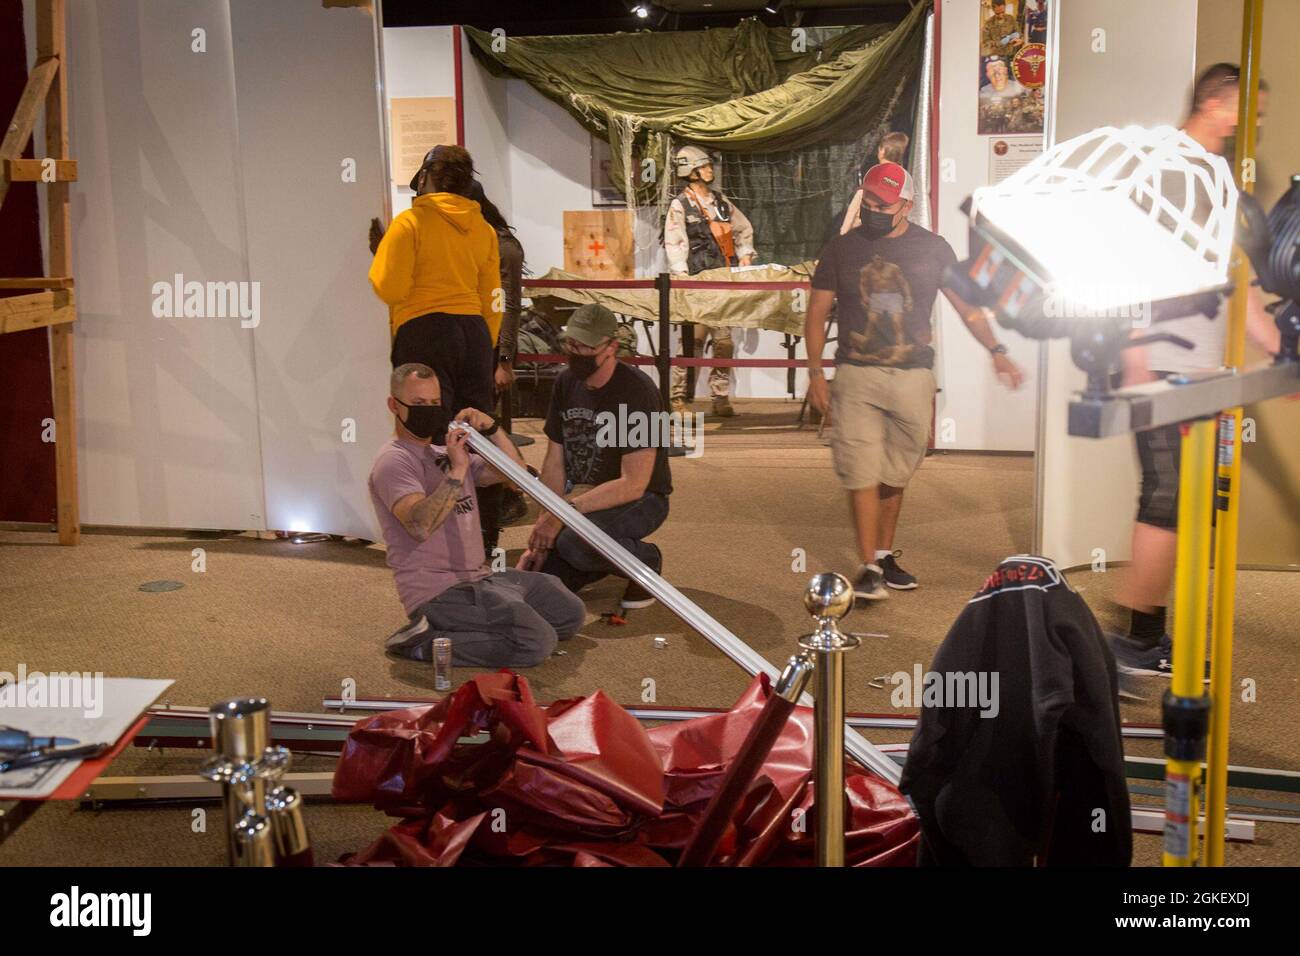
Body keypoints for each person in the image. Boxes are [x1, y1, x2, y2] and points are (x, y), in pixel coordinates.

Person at [1110, 63, 1279, 680]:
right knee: (1166, 496)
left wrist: (1274, 347)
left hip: (1201, 368)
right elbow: (1126, 261)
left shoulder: (1215, 177)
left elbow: (1231, 275)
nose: (1254, 121)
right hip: (1161, 361)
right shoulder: (1170, 168)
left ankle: (1147, 633)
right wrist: (1133, 355)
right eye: (1249, 109)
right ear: (1216, 102)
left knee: (1188, 502)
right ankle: (1132, 639)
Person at [805, 163, 1024, 601]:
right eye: (866, 201)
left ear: (906, 204)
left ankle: (883, 555)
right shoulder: (840, 250)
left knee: (896, 471)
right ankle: (867, 565)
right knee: (862, 469)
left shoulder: (933, 249)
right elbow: (815, 314)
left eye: (882, 204)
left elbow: (967, 307)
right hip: (856, 375)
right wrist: (815, 374)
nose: (872, 210)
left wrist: (997, 351)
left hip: (913, 375)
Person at [369, 363, 585, 667]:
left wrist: (494, 430)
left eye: (434, 404)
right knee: (535, 642)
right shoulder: (394, 461)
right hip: (438, 589)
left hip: (480, 577)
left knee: (569, 614)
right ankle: (422, 641)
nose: (429, 411)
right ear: (394, 405)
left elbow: (515, 475)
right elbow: (419, 525)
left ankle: (481, 621)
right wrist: (458, 471)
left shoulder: (445, 452)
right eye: (418, 405)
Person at [518, 303, 673, 610]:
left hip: (642, 499)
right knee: (544, 580)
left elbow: (634, 484)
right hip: (582, 497)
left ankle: (646, 560)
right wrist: (543, 525)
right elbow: (555, 461)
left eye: (586, 346)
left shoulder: (639, 391)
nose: (576, 352)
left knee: (575, 543)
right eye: (571, 343)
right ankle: (604, 557)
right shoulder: (565, 382)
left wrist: (562, 516)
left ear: (611, 347)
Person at [368, 145, 501, 419]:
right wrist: (485, 342)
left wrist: (383, 253)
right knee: (475, 424)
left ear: (425, 177)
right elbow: (494, 297)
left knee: (429, 424)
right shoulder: (484, 230)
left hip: (425, 331)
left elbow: (390, 288)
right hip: (475, 333)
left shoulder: (410, 223)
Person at [663, 144, 756, 418]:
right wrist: (681, 275)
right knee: (692, 341)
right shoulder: (680, 205)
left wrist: (745, 254)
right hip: (696, 280)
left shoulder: (721, 202)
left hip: (722, 278)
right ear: (690, 171)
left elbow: (743, 228)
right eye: (703, 166)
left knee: (724, 341)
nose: (709, 169)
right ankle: (679, 397)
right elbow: (675, 240)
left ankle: (720, 395)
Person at [839, 131, 910, 237]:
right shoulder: (905, 180)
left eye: (879, 149)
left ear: (883, 151)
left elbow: (853, 209)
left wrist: (843, 234)